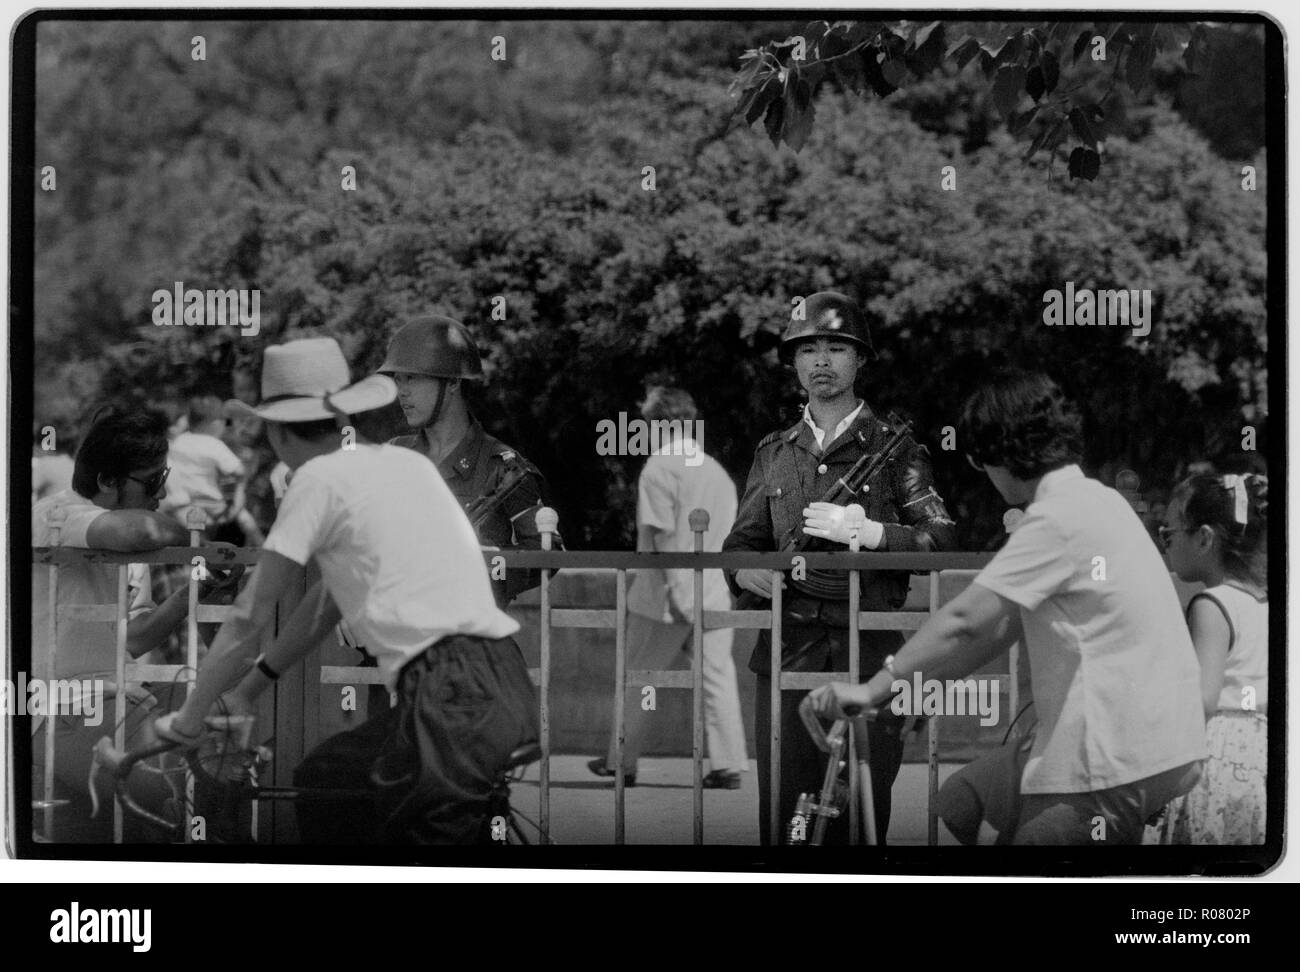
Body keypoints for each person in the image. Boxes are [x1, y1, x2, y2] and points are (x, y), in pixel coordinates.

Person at [155, 337, 539, 844]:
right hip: (500, 678)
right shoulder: (404, 464)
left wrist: (189, 718)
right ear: (341, 417)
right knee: (328, 779)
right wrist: (248, 689)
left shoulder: (317, 479)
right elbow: (329, 599)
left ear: (276, 429)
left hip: (448, 689)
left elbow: (249, 615)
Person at [811, 370, 1207, 845]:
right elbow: (999, 628)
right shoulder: (1100, 500)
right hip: (1162, 740)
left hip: (1112, 753)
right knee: (961, 801)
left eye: (979, 460)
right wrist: (914, 690)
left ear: (998, 454)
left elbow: (964, 621)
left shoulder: (1058, 518)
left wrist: (872, 688)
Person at [722, 291, 956, 845]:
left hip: (867, 651)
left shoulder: (896, 449)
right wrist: (745, 572)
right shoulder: (775, 452)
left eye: (836, 348)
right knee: (786, 817)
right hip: (787, 651)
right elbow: (741, 542)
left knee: (860, 815)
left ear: (860, 359)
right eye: (808, 350)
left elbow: (940, 539)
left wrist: (870, 533)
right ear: (794, 363)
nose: (821, 361)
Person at [31, 407, 239, 841]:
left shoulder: (121, 538)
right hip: (60, 706)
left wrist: (192, 591)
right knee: (178, 797)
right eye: (152, 481)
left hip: (113, 698)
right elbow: (139, 532)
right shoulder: (56, 514)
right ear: (107, 480)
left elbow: (136, 637)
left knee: (221, 735)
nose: (161, 493)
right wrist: (198, 544)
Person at [587, 387, 749, 789]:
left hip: (662, 595)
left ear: (661, 424)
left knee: (639, 677)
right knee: (717, 676)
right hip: (713, 590)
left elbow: (660, 535)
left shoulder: (660, 468)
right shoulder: (715, 471)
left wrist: (677, 591)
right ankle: (728, 764)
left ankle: (622, 761)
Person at [380, 314, 552, 607]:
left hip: (469, 628)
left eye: (413, 378)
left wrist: (487, 564)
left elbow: (547, 554)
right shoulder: (393, 457)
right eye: (398, 379)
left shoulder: (504, 470)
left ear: (452, 382)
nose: (402, 392)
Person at [1162, 473, 1268, 844]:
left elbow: (1202, 700)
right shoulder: (1265, 602)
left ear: (1204, 538)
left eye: (1168, 534)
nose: (1165, 545)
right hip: (1260, 758)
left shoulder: (1212, 604)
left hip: (1217, 760)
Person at [162, 394, 248, 544]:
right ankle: (260, 547)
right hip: (213, 506)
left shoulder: (179, 440)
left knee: (196, 543)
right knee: (247, 521)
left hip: (183, 505)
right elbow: (239, 471)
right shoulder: (213, 444)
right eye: (225, 422)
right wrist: (240, 491)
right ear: (216, 423)